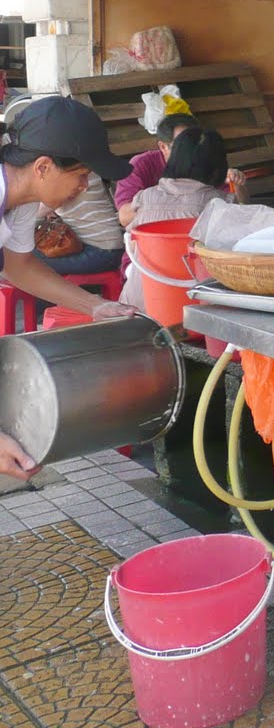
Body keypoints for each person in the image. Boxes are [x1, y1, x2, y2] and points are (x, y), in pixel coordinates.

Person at [0, 97, 139, 480]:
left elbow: (21, 267)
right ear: (43, 167)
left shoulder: (23, 201)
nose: (85, 186)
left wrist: (94, 306)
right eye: (81, 174)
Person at [121, 128, 238, 309]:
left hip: (138, 307)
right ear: (219, 164)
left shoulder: (145, 198)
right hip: (196, 312)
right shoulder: (221, 204)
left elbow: (135, 247)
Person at [114, 112, 196, 223]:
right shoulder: (140, 164)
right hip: (153, 235)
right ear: (163, 147)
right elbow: (125, 217)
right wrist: (163, 193)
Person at [37, 171, 123, 275]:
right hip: (97, 248)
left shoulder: (77, 175)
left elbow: (37, 213)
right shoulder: (78, 171)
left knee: (28, 259)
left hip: (105, 252)